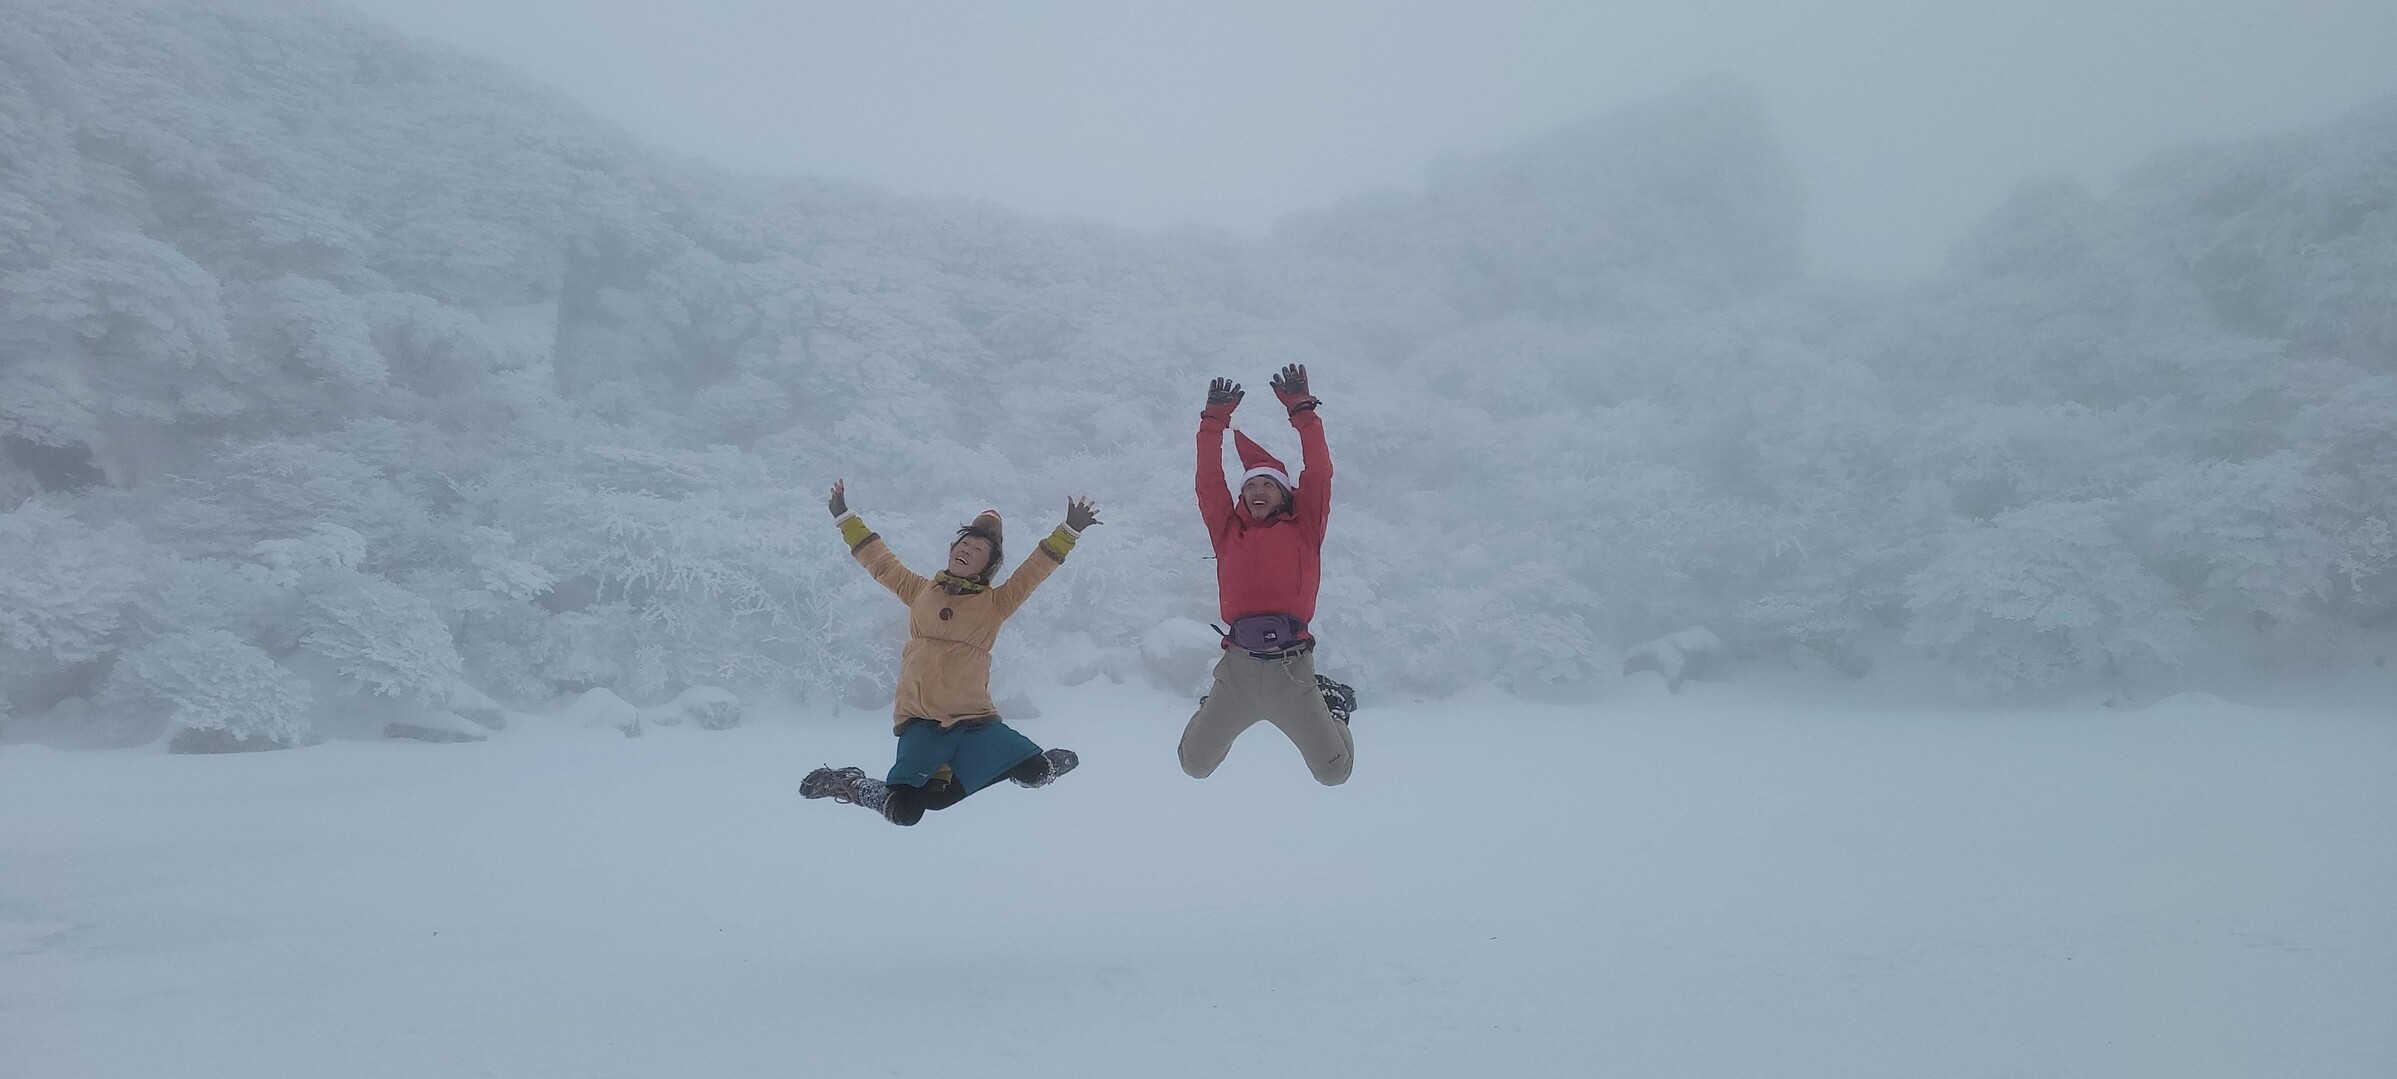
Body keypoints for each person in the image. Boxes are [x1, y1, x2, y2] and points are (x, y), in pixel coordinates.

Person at [801, 481, 1100, 825]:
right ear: (951, 549)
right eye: (964, 544)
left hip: (973, 719)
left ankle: (1038, 766)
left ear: (987, 566)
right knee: (909, 811)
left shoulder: (995, 603)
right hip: (922, 720)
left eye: (977, 550)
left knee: (1034, 773)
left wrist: (1069, 529)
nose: (967, 550)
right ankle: (851, 784)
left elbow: (1034, 570)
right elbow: (879, 560)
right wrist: (844, 517)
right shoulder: (919, 591)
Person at [1179, 363, 1354, 786]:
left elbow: (1320, 471)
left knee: (1335, 773)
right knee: (1194, 764)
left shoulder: (1305, 527)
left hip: (1293, 673)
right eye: (1250, 487)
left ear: (1284, 492)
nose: (1257, 491)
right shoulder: (1227, 531)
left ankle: (1332, 704)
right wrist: (1213, 422)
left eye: (1267, 485)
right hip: (1237, 669)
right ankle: (1211, 704)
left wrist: (1302, 409)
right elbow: (1207, 482)